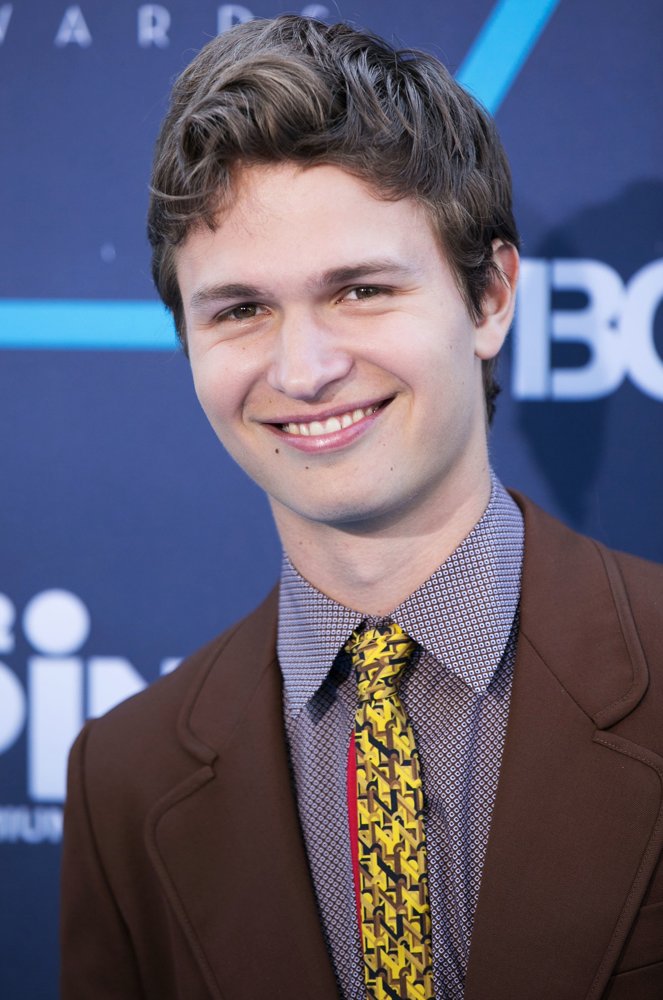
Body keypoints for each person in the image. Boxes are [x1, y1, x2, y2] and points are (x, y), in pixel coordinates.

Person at [60, 15, 663, 1000]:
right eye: (242, 310)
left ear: (490, 298)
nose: (303, 370)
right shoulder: (122, 779)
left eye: (360, 291)